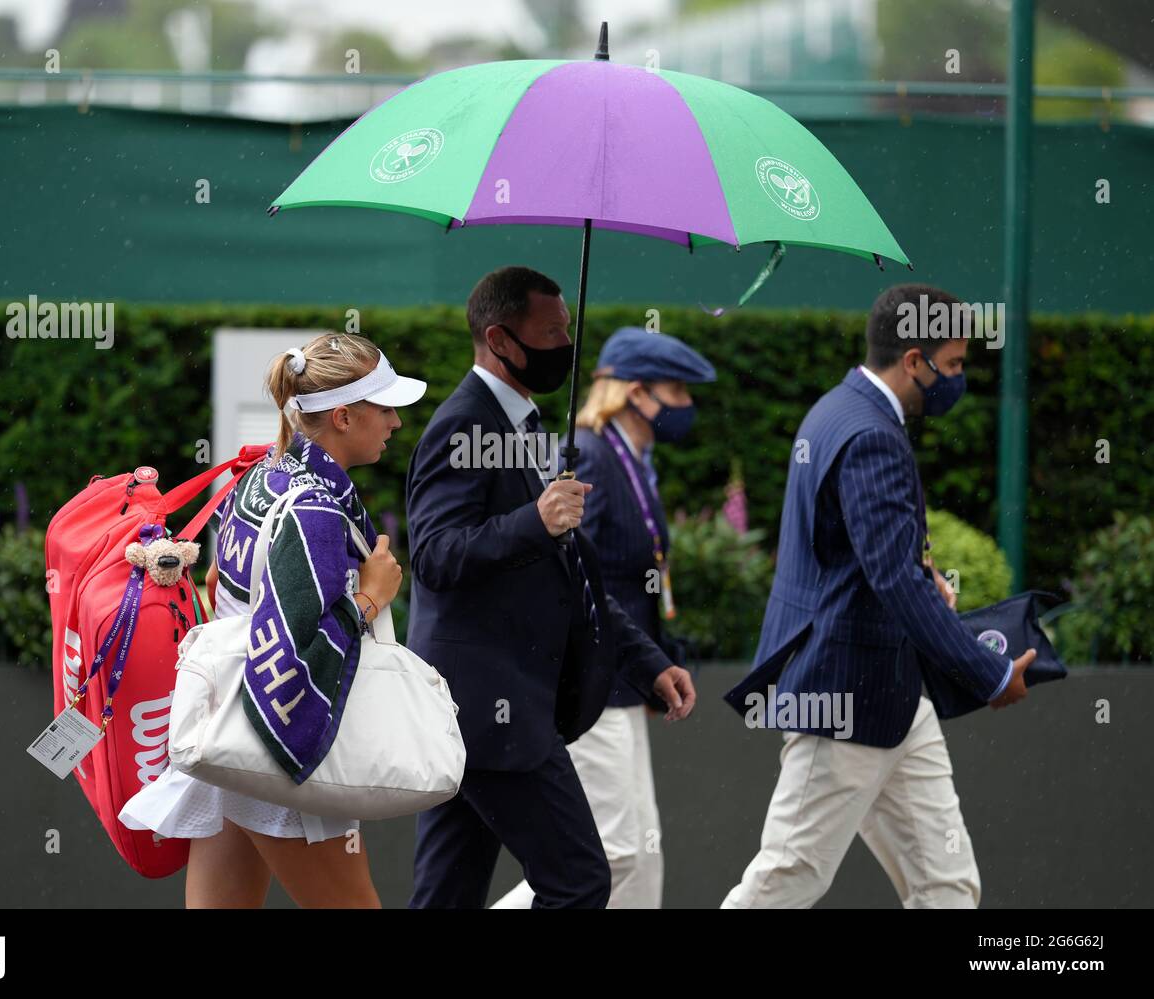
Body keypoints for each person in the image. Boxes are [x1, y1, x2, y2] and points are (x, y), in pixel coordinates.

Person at [721, 284, 1036, 909]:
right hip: (845, 692)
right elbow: (891, 580)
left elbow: (866, 558)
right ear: (914, 359)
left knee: (946, 886)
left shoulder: (839, 411)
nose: (958, 379)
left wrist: (927, 576)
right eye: (953, 365)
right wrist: (990, 673)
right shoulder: (870, 434)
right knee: (786, 878)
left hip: (891, 696)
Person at [404, 265, 697, 909]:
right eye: (551, 331)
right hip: (489, 708)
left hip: (489, 708)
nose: (566, 343)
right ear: (500, 339)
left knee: (447, 898)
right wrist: (533, 522)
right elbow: (433, 557)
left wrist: (648, 662)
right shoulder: (463, 425)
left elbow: (575, 577)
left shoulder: (530, 428)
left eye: (566, 328)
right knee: (580, 881)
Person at [119, 332, 425, 908]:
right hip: (281, 748)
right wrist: (373, 596)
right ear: (341, 416)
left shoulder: (263, 476)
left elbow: (219, 584)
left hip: (234, 740)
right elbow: (298, 648)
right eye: (385, 409)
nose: (395, 423)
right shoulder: (312, 506)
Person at [492, 326, 715, 909]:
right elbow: (571, 579)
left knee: (639, 857)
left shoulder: (629, 456)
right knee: (616, 854)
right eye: (679, 392)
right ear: (637, 393)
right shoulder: (591, 455)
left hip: (618, 678)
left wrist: (651, 662)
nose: (688, 406)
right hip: (590, 686)